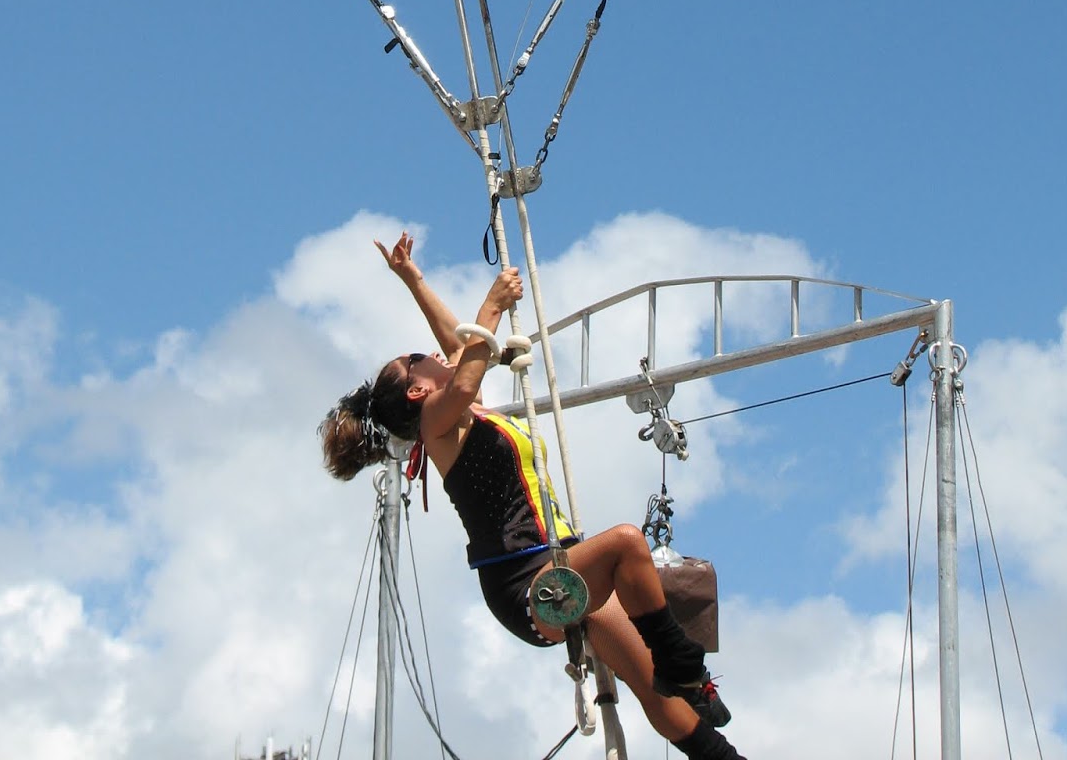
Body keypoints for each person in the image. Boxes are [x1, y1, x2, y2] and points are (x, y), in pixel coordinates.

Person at [319, 234, 749, 760]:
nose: (432, 352)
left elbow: (461, 350)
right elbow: (465, 371)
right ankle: (682, 664)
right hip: (528, 587)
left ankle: (714, 740)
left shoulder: (461, 411)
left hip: (564, 565)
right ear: (416, 391)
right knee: (626, 544)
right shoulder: (438, 426)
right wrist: (493, 305)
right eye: (416, 359)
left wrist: (412, 278)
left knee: (656, 696)